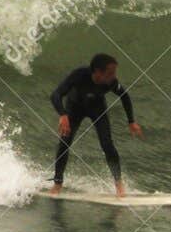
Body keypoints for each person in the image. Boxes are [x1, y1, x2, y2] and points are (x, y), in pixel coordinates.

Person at [49, 53, 144, 196]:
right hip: (74, 109)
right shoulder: (79, 75)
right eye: (110, 73)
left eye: (114, 73)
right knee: (64, 143)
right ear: (98, 72)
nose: (114, 76)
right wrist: (63, 115)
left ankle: (119, 185)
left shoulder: (111, 82)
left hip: (97, 108)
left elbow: (124, 96)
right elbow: (56, 94)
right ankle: (57, 184)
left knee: (107, 144)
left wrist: (131, 121)